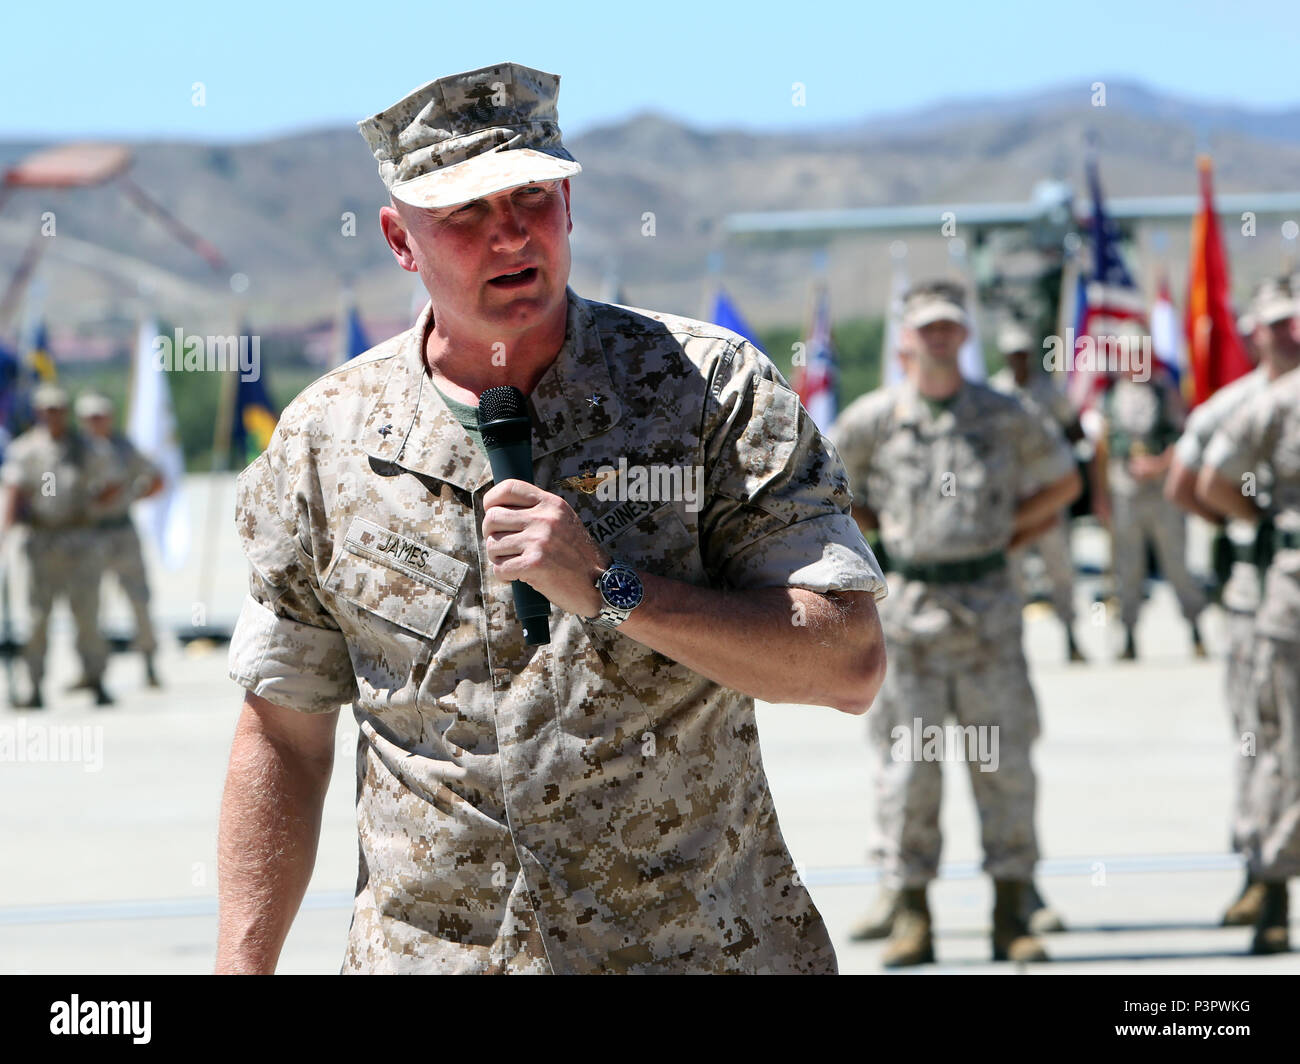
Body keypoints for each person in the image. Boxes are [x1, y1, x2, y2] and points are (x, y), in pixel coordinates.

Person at [216, 62, 887, 976]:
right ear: (399, 241)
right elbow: (283, 733)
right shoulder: (324, 441)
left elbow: (847, 662)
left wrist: (611, 590)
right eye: (464, 211)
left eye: (531, 194)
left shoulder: (706, 394)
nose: (509, 234)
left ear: (569, 204)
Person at [830, 280, 1081, 966]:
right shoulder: (875, 418)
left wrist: (1006, 535)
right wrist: (881, 540)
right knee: (910, 770)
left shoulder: (1006, 414)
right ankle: (913, 913)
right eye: (926, 328)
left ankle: (1011, 910)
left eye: (950, 327)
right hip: (910, 617)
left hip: (989, 616)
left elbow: (1063, 482)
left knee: (1004, 766)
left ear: (965, 336)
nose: (939, 338)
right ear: (907, 338)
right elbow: (827, 490)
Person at [1166, 278, 1300, 928]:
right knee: (1262, 735)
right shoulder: (1238, 405)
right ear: (1254, 329)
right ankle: (1261, 869)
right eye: (1277, 322)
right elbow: (1187, 483)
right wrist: (1250, 525)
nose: (1289, 332)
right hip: (1260, 591)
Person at [1198, 315, 1300, 954]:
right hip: (1290, 599)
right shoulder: (1277, 402)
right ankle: (1273, 888)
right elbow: (1208, 479)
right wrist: (1262, 526)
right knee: (1286, 747)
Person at [1091, 330, 1206, 659]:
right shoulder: (1110, 396)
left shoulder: (1164, 391)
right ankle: (1128, 636)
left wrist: (1159, 463)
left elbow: (1184, 439)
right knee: (1127, 566)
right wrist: (1101, 496)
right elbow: (1101, 450)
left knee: (1177, 563)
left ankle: (1196, 629)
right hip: (1125, 492)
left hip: (1162, 491)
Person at [0, 384, 112, 707]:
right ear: (38, 412)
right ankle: (33, 686)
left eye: (59, 409)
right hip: (42, 541)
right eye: (47, 410)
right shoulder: (26, 450)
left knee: (88, 615)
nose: (53, 416)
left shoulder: (85, 448)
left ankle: (96, 679)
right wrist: (6, 532)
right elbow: (13, 490)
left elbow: (113, 478)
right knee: (37, 618)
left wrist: (96, 508)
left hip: (80, 539)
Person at [990, 322, 1086, 663]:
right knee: (1012, 574)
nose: (1018, 360)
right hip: (1010, 501)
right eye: (1012, 354)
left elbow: (1076, 429)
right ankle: (1014, 645)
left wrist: (1054, 454)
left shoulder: (1049, 391)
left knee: (1059, 566)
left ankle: (1072, 635)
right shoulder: (994, 393)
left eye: (1023, 353)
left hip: (1046, 496)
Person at [76, 392, 165, 688]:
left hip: (122, 530)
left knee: (139, 598)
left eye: (101, 416)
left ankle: (149, 662)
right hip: (90, 531)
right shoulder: (75, 451)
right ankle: (91, 670)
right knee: (89, 603)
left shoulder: (124, 447)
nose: (96, 422)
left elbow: (155, 478)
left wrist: (132, 496)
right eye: (90, 418)